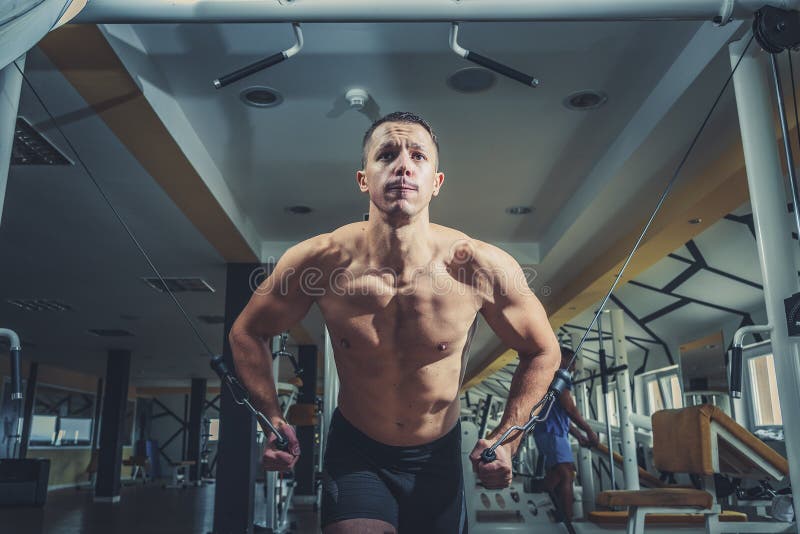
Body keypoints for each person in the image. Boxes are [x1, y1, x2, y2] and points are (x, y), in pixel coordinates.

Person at [228, 111, 561, 533]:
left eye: (418, 156)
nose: (403, 165)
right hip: (357, 452)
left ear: (435, 183)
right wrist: (272, 418)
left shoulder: (479, 266)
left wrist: (508, 439)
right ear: (364, 179)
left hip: (437, 455)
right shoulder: (319, 261)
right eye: (387, 154)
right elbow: (247, 332)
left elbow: (543, 349)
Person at [532, 346, 598, 522]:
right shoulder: (559, 377)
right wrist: (589, 431)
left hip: (552, 432)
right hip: (551, 433)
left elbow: (563, 417)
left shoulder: (550, 379)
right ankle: (566, 519)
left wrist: (579, 436)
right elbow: (570, 409)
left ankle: (539, 500)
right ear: (563, 359)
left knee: (559, 474)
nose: (574, 367)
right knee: (566, 474)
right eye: (573, 362)